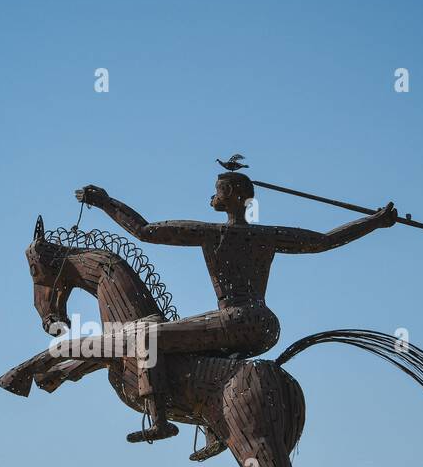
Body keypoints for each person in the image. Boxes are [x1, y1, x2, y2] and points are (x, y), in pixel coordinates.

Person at [74, 170, 396, 441]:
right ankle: (215, 425)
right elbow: (324, 241)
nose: (211, 198)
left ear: (231, 194)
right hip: (265, 325)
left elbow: (144, 231)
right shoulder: (267, 235)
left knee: (148, 336)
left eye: (216, 191)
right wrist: (375, 221)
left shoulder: (211, 233)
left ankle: (159, 420)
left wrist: (105, 202)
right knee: (197, 350)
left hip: (236, 320)